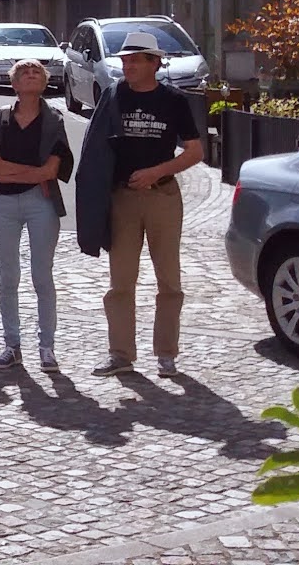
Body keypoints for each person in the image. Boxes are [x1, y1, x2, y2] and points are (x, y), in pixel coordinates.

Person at [75, 33, 204, 378]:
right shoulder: (114, 96)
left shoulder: (174, 100)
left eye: (136, 60)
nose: (127, 66)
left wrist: (156, 172)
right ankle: (120, 354)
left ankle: (166, 354)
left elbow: (195, 152)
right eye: (125, 60)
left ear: (154, 63)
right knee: (121, 282)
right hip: (123, 199)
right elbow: (94, 149)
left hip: (162, 196)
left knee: (169, 280)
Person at [0, 60, 74, 373]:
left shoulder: (54, 119)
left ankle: (47, 347)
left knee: (41, 275)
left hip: (40, 202)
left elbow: (52, 170)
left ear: (44, 83)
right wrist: (31, 173)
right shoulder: (1, 117)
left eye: (36, 73)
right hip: (4, 205)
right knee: (8, 274)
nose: (31, 76)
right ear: (15, 84)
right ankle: (12, 344)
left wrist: (13, 173)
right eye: (24, 73)